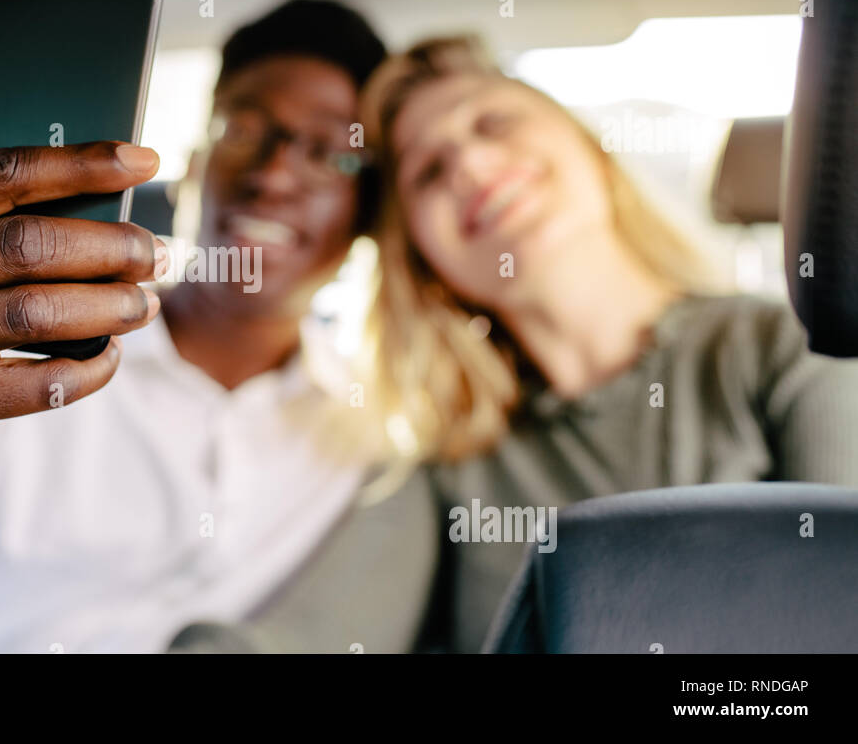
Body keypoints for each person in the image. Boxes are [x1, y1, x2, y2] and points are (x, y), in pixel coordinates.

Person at [0, 0, 429, 653]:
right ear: (193, 165)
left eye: (332, 153)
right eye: (243, 129)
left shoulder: (370, 434)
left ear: (370, 212)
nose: (274, 175)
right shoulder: (26, 340)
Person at [357, 35, 858, 653]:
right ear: (425, 261)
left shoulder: (787, 350)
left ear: (591, 149)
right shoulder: (448, 459)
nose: (469, 165)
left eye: (496, 122)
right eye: (428, 170)